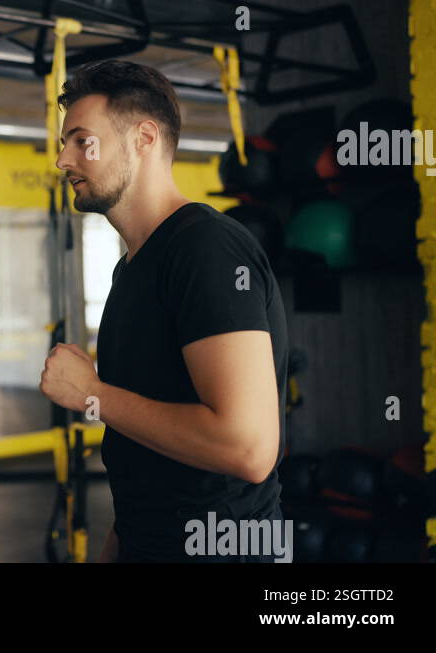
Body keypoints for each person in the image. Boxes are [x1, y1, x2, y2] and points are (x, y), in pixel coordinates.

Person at [39, 61, 288, 563]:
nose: (63, 160)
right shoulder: (132, 268)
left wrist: (92, 394)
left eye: (80, 140)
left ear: (144, 138)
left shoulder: (205, 250)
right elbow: (145, 461)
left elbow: (248, 449)